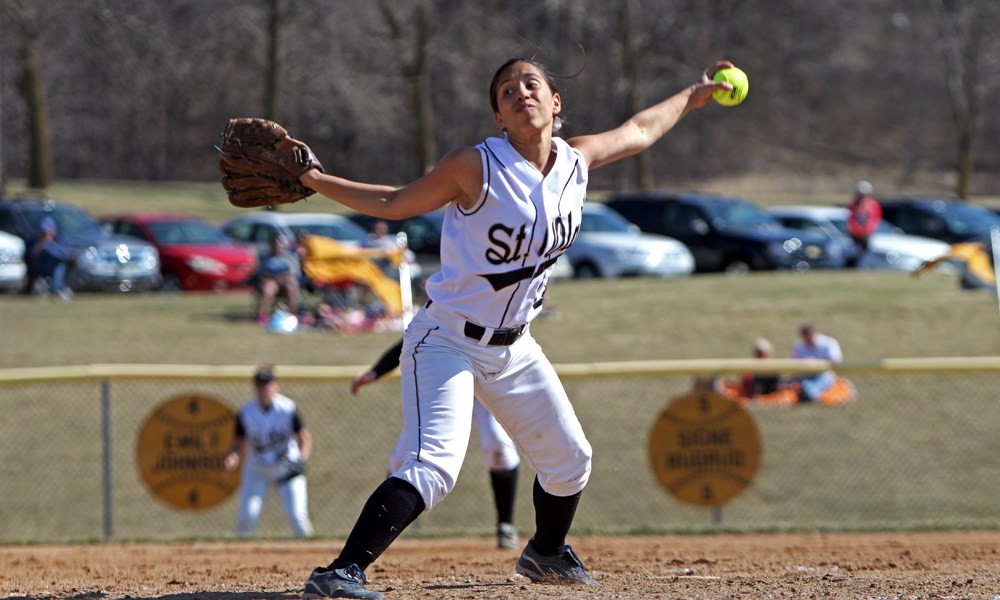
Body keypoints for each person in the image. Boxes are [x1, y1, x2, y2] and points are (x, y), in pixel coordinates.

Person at [294, 56, 736, 599]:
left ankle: (545, 553)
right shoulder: (474, 166)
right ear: (499, 117)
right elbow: (394, 202)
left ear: (556, 103)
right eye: (506, 91)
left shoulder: (577, 163)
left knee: (571, 460)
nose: (520, 93)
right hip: (448, 339)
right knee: (434, 467)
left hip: (515, 346)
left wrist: (693, 95)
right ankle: (341, 572)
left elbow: (640, 130)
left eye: (532, 84)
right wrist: (313, 179)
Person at [351, 338, 521, 550]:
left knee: (499, 447)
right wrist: (376, 371)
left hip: (485, 385)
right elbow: (415, 336)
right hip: (446, 384)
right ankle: (386, 525)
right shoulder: (447, 309)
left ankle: (506, 524)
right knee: (400, 462)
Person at [224, 365, 314, 538]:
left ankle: (313, 560)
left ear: (276, 385)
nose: (264, 388)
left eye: (268, 383)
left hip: (286, 466)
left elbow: (304, 438)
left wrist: (302, 460)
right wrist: (232, 456)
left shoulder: (288, 408)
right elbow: (238, 443)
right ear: (254, 387)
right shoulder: (246, 412)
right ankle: (238, 560)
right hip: (257, 468)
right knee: (247, 517)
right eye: (260, 384)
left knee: (298, 518)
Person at [255, 235, 301, 326]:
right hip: (271, 281)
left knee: (292, 285)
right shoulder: (265, 256)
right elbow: (260, 272)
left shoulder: (289, 256)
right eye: (275, 245)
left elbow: (294, 272)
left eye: (280, 245)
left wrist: (283, 277)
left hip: (286, 281)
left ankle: (292, 314)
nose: (277, 247)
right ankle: (263, 316)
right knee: (269, 290)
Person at [790, 324, 843, 403]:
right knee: (800, 384)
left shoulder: (828, 343)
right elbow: (793, 363)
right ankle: (807, 393)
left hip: (823, 373)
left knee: (817, 382)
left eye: (809, 337)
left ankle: (812, 395)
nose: (808, 340)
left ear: (814, 334)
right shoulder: (799, 346)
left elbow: (836, 360)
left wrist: (817, 363)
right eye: (805, 338)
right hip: (805, 374)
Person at [29, 216, 74, 300]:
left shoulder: (61, 240)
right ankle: (55, 289)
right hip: (42, 272)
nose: (45, 233)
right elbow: (32, 256)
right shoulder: (35, 242)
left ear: (53, 230)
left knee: (60, 265)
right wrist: (42, 244)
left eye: (48, 231)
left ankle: (58, 289)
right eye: (43, 232)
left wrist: (51, 244)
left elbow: (66, 254)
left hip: (57, 269)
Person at [846, 180, 881, 258]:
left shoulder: (873, 204)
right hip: (854, 234)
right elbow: (850, 218)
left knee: (866, 253)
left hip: (867, 234)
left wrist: (868, 230)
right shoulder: (853, 205)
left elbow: (875, 219)